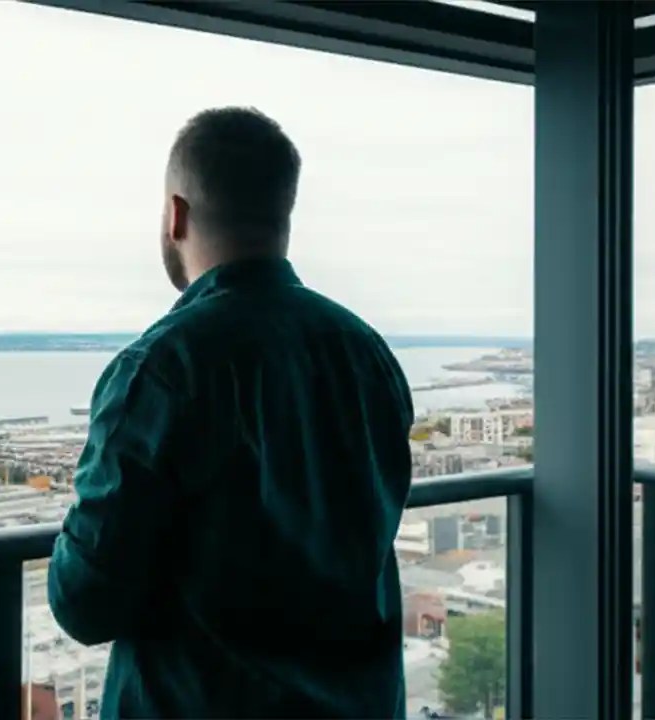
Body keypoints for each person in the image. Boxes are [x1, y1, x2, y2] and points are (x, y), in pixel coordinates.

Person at [48, 106, 414, 719]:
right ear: (283, 216)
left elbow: (86, 602)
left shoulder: (164, 368)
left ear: (176, 215)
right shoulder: (365, 350)